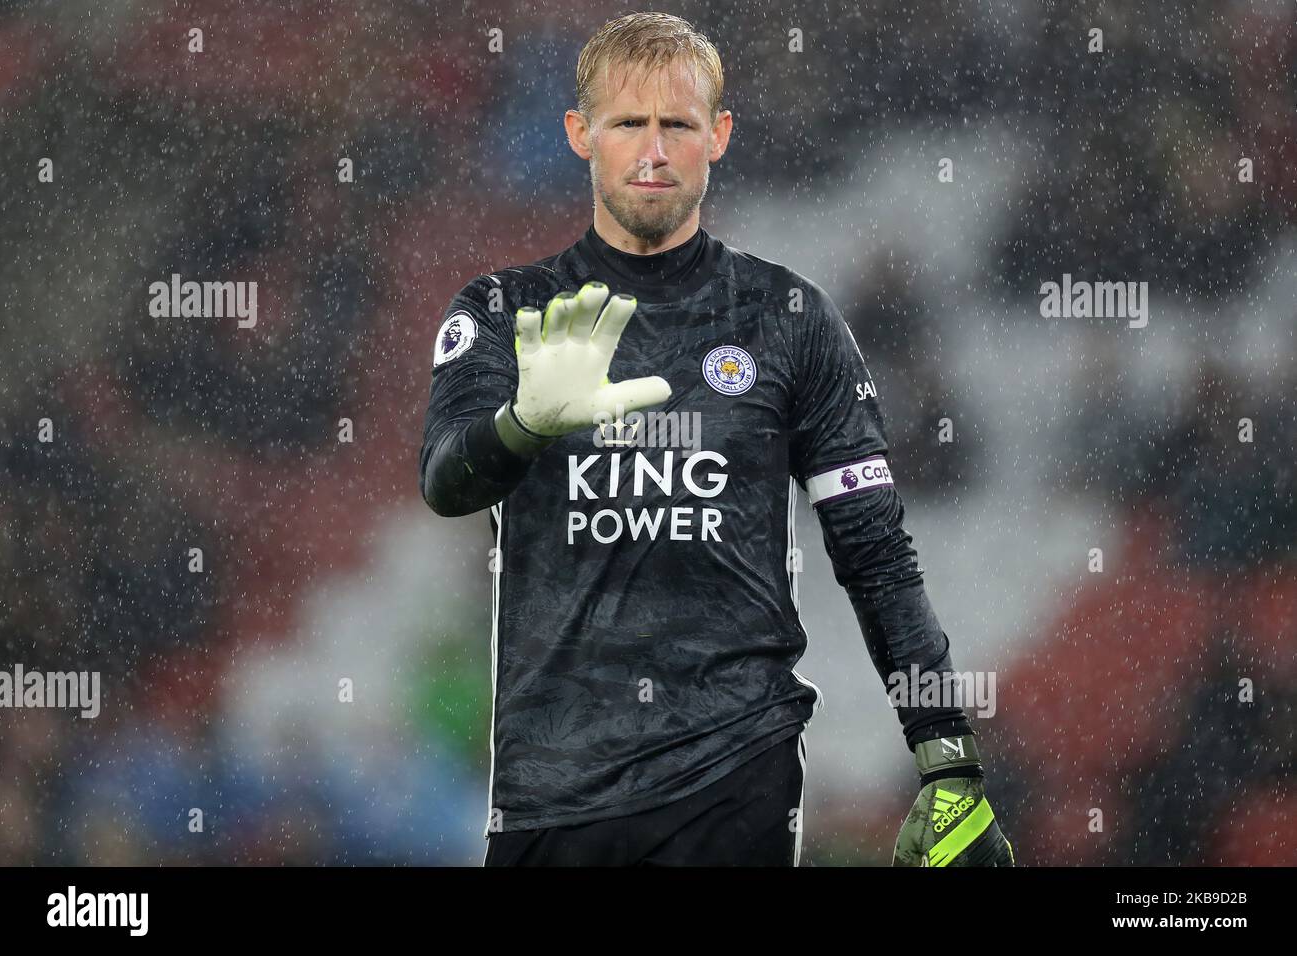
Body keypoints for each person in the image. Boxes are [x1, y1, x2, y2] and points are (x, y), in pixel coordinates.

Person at [418, 12, 1013, 867]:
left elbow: (875, 550)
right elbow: (446, 482)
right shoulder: (504, 311)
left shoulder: (790, 319)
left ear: (719, 136)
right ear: (581, 135)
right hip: (552, 781)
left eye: (677, 124)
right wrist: (524, 425)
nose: (652, 151)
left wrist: (945, 753)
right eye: (628, 123)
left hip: (736, 774)